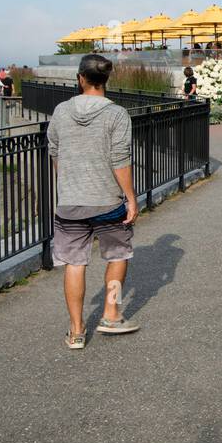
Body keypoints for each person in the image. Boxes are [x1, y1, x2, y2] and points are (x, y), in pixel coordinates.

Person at [46, 54, 140, 350]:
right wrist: (131, 197)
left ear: (80, 78)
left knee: (74, 263)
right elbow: (120, 160)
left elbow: (55, 150)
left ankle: (76, 331)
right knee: (117, 256)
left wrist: (69, 181)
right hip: (107, 201)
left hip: (71, 201)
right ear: (106, 80)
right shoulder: (117, 114)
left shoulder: (61, 111)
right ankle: (111, 314)